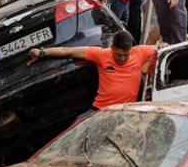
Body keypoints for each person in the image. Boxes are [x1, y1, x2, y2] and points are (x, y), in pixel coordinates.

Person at [26, 31, 159, 113]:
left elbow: (161, 47)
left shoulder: (140, 52)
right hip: (100, 111)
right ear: (112, 48)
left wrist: (163, 45)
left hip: (125, 112)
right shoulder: (101, 54)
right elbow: (68, 51)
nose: (123, 58)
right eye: (119, 55)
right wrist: (41, 53)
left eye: (126, 55)